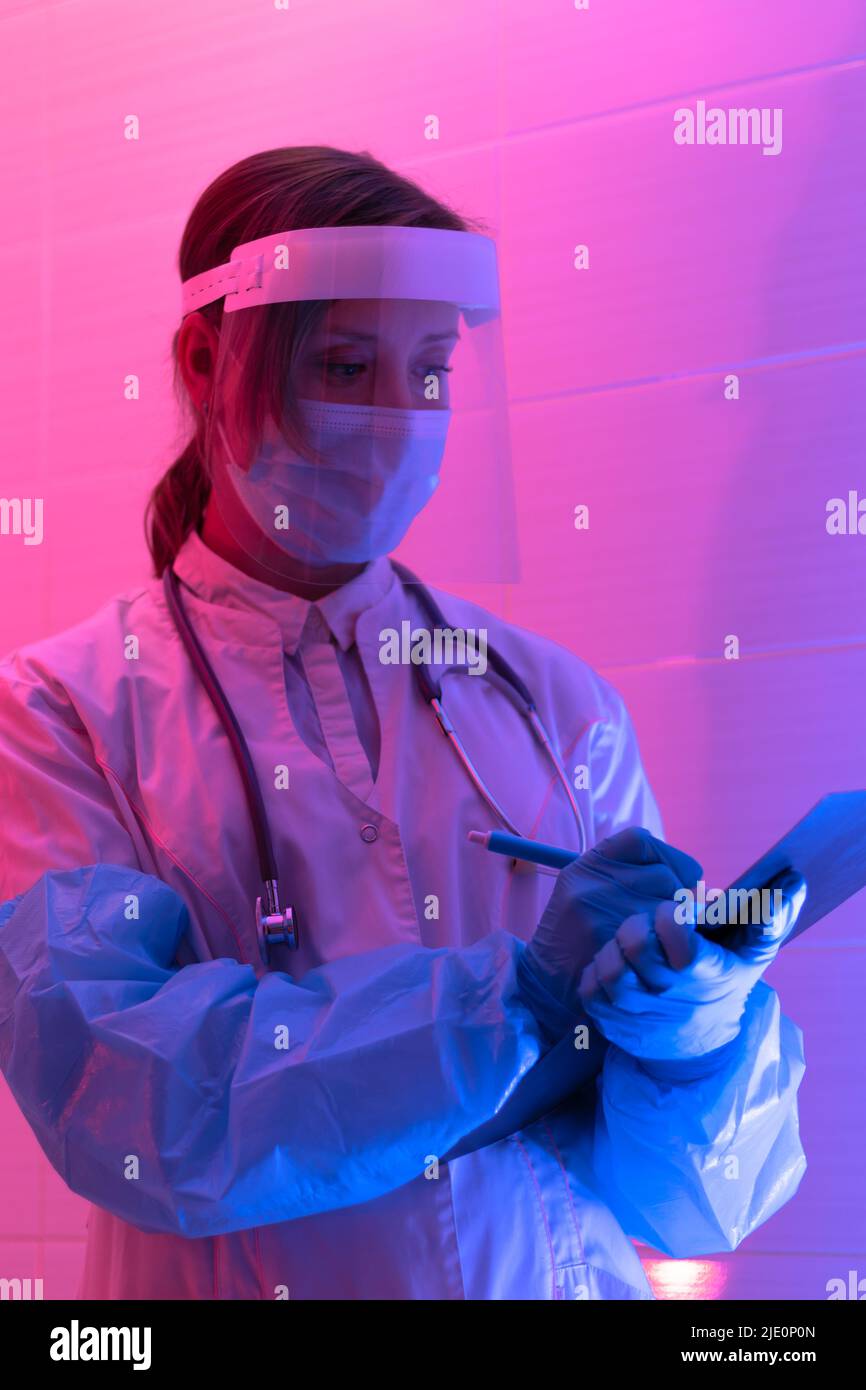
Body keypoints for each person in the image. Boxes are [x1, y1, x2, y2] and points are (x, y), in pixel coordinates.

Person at [0, 147, 806, 1301]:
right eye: (342, 365)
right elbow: (129, 1100)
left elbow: (683, 1202)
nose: (393, 420)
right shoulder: (61, 713)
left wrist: (687, 1037)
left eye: (427, 373)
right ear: (203, 360)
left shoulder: (549, 704)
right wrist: (513, 1001)